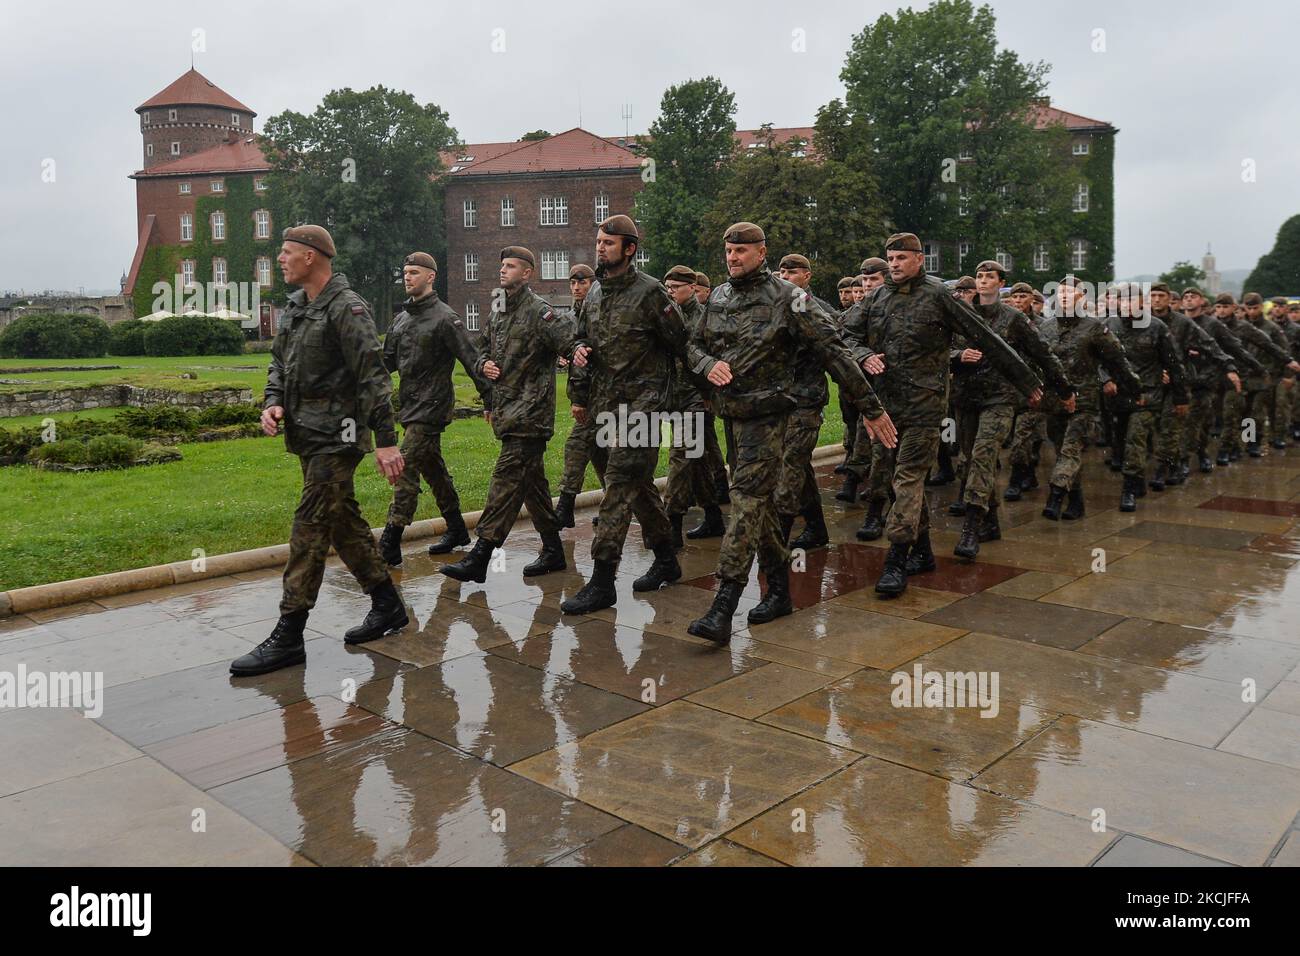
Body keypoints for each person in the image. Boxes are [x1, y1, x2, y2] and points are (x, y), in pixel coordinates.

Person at [684, 222, 896, 642]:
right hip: (733, 416)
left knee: (745, 500)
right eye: (728, 251)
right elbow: (691, 345)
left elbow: (833, 350)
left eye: (742, 251)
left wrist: (870, 407)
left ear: (762, 253)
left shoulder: (789, 299)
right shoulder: (720, 297)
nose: (732, 257)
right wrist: (707, 366)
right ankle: (780, 590)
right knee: (759, 505)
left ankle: (723, 605)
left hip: (771, 416)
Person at [231, 225, 407, 676]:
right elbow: (279, 363)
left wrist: (386, 441)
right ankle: (387, 605)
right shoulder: (295, 308)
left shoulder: (347, 309)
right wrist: (272, 402)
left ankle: (289, 634)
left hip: (340, 437)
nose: (281, 260)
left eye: (287, 253)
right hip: (309, 436)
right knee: (343, 523)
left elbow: (373, 376)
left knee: (309, 526)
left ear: (311, 257)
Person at [851, 233, 1043, 595]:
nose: (894, 264)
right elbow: (843, 336)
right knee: (896, 480)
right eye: (890, 258)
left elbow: (985, 337)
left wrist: (1026, 379)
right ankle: (922, 552)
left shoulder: (938, 296)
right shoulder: (876, 297)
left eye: (901, 258)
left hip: (925, 406)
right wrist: (863, 354)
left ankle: (895, 560)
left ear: (919, 260)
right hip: (886, 406)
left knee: (907, 479)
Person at [561, 215, 689, 614]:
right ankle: (667, 560)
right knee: (640, 489)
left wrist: (659, 397)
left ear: (629, 248)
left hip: (641, 411)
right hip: (602, 408)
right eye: (598, 241)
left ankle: (602, 582)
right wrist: (579, 390)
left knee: (617, 488)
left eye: (609, 243)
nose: (600, 248)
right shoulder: (595, 292)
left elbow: (680, 342)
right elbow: (581, 340)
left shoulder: (651, 293)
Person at [439, 247, 575, 583]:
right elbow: (481, 347)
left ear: (527, 273)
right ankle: (554, 550)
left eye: (511, 266)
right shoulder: (498, 308)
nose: (503, 270)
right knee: (533, 487)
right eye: (501, 265)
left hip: (530, 416)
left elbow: (572, 343)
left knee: (506, 480)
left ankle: (481, 556)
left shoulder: (540, 312)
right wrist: (482, 364)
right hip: (506, 410)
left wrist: (579, 374)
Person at [949, 266, 1072, 558]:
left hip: (1000, 398)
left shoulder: (1013, 319)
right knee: (970, 460)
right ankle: (990, 520)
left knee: (982, 456)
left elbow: (1042, 353)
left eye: (990, 277)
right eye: (979, 277)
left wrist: (1064, 389)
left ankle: (971, 525)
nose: (983, 281)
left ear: (1000, 283)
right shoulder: (961, 313)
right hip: (966, 398)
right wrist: (958, 355)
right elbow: (942, 349)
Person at [377, 252, 490, 565]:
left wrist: (489, 400)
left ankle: (390, 542)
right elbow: (384, 365)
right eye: (405, 272)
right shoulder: (400, 320)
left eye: (414, 272)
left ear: (430, 277)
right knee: (433, 468)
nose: (407, 277)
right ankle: (456, 528)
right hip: (411, 407)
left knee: (405, 468)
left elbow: (471, 358)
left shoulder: (445, 318)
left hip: (432, 407)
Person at [1040, 276, 1141, 520]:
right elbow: (1038, 362)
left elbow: (1117, 361)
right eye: (1060, 291)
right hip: (1054, 401)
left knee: (1070, 450)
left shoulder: (1094, 327)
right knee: (1062, 451)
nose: (1063, 295)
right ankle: (1076, 501)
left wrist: (1135, 388)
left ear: (1081, 297)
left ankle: (1055, 496)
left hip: (1084, 401)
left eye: (1069, 292)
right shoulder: (1046, 326)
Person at [775, 253, 842, 550]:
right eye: (781, 272)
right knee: (798, 466)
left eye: (792, 272)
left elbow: (837, 353)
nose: (785, 277)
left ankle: (776, 538)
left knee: (790, 466)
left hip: (806, 400)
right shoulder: (776, 308)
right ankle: (816, 527)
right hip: (780, 400)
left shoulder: (820, 311)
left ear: (807, 276)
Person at [1105, 283, 1188, 512]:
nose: (1127, 305)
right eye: (1123, 300)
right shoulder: (1109, 325)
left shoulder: (1156, 327)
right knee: (1120, 441)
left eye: (1132, 300)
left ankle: (1129, 488)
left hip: (1147, 395)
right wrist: (1105, 380)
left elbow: (1173, 364)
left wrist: (1181, 398)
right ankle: (1137, 479)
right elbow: (1097, 358)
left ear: (1142, 303)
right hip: (1118, 394)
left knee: (1136, 438)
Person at [661, 264, 722, 549]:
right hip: (675, 398)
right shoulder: (667, 317)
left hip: (698, 398)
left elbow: (712, 358)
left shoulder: (704, 318)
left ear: (692, 288)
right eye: (667, 288)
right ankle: (713, 515)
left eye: (675, 288)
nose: (670, 293)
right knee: (698, 460)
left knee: (681, 454)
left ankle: (671, 523)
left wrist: (709, 394)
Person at [555, 264, 606, 528]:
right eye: (573, 284)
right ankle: (616, 504)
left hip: (600, 395)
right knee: (600, 453)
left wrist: (579, 400)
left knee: (577, 444)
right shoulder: (572, 316)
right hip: (589, 394)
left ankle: (565, 507)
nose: (576, 288)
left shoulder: (599, 311)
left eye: (582, 283)